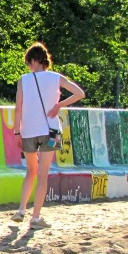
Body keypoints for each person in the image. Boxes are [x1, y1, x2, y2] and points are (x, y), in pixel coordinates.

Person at [12, 42, 85, 229]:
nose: (28, 66)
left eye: (29, 62)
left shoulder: (23, 80)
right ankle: (35, 217)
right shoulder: (55, 78)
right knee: (43, 175)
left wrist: (17, 131)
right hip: (51, 131)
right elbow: (79, 93)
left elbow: (18, 107)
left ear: (34, 61)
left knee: (30, 171)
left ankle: (21, 209)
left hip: (28, 131)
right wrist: (59, 105)